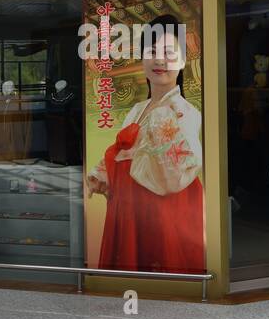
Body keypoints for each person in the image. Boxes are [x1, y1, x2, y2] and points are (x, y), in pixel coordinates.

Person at [86, 14, 205, 273]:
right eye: (152, 52)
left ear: (184, 60)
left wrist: (155, 138)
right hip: (128, 207)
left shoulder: (186, 112)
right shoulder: (137, 109)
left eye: (169, 52)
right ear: (142, 60)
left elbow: (179, 174)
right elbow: (120, 152)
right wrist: (99, 177)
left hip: (163, 213)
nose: (160, 60)